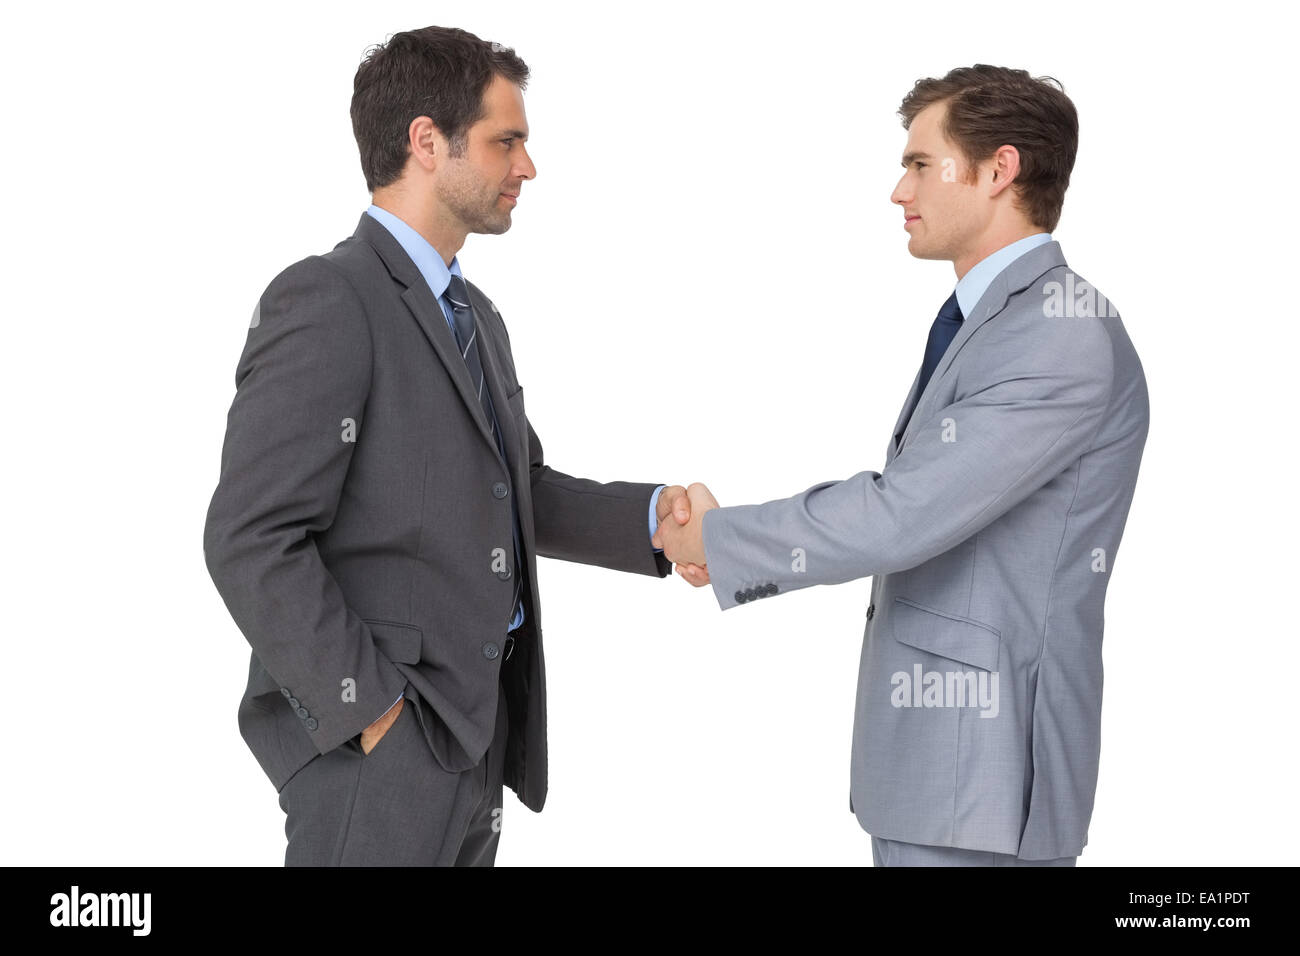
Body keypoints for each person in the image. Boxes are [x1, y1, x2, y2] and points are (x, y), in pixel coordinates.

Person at [203, 25, 697, 866]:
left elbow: (516, 488)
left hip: (476, 740)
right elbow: (249, 536)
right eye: (508, 141)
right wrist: (372, 714)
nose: (527, 168)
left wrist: (654, 516)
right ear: (426, 141)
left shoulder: (477, 318)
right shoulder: (327, 298)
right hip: (382, 749)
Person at [656, 65, 1149, 866]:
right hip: (941, 781)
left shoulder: (1060, 333)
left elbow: (903, 513)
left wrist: (721, 537)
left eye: (921, 164)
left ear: (998, 170)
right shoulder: (992, 318)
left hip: (982, 785)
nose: (899, 190)